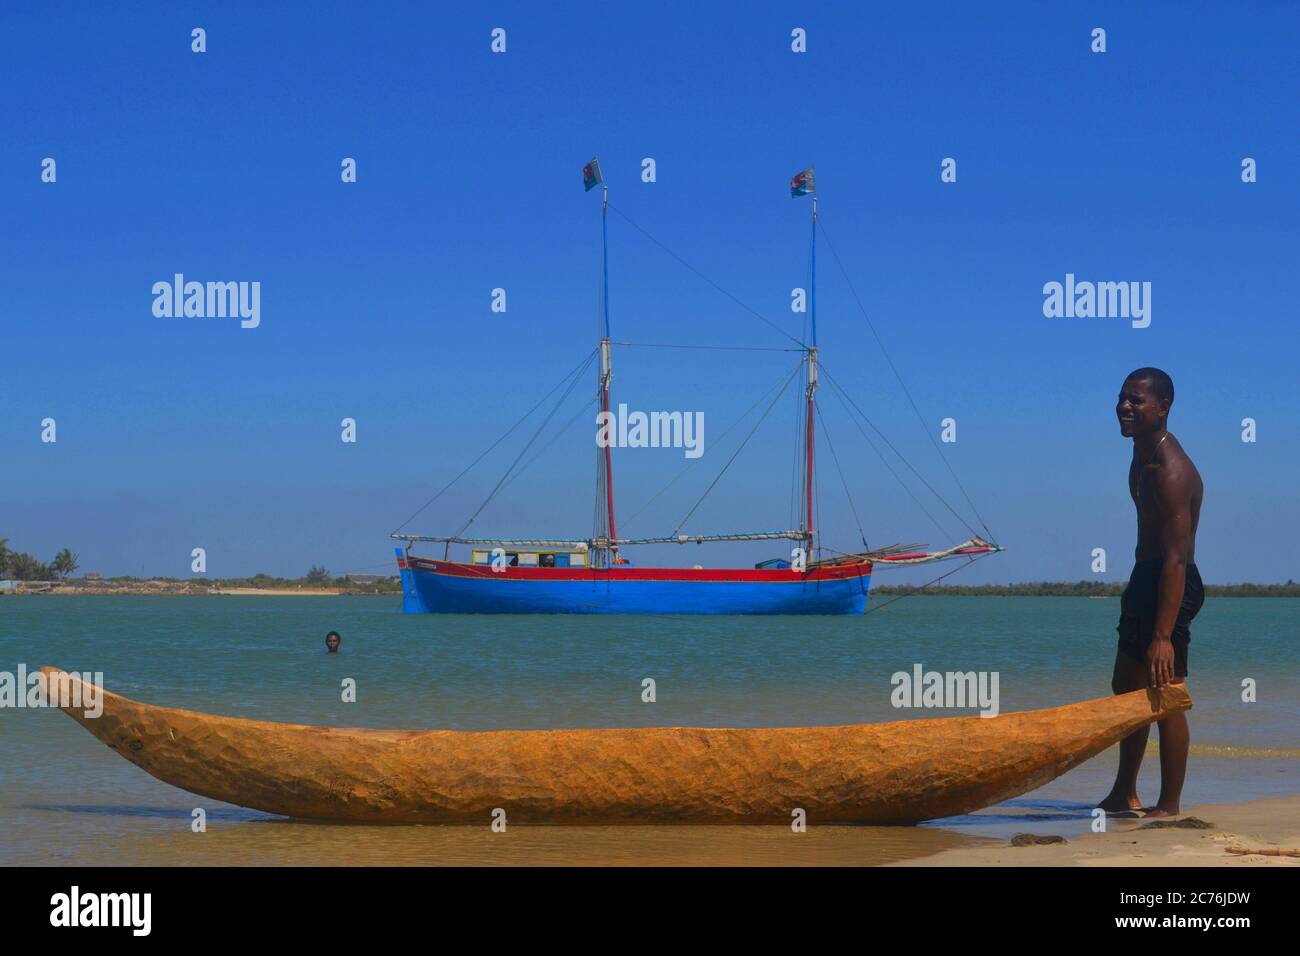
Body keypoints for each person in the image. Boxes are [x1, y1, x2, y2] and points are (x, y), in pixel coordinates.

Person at [1099, 368, 1204, 818]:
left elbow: (1177, 559)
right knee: (1127, 687)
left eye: (1136, 401)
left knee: (1165, 693)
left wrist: (1163, 634)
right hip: (1146, 578)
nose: (1125, 406)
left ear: (1163, 407)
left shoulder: (1171, 470)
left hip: (1172, 584)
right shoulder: (1141, 455)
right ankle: (1125, 792)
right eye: (1122, 398)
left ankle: (1170, 803)